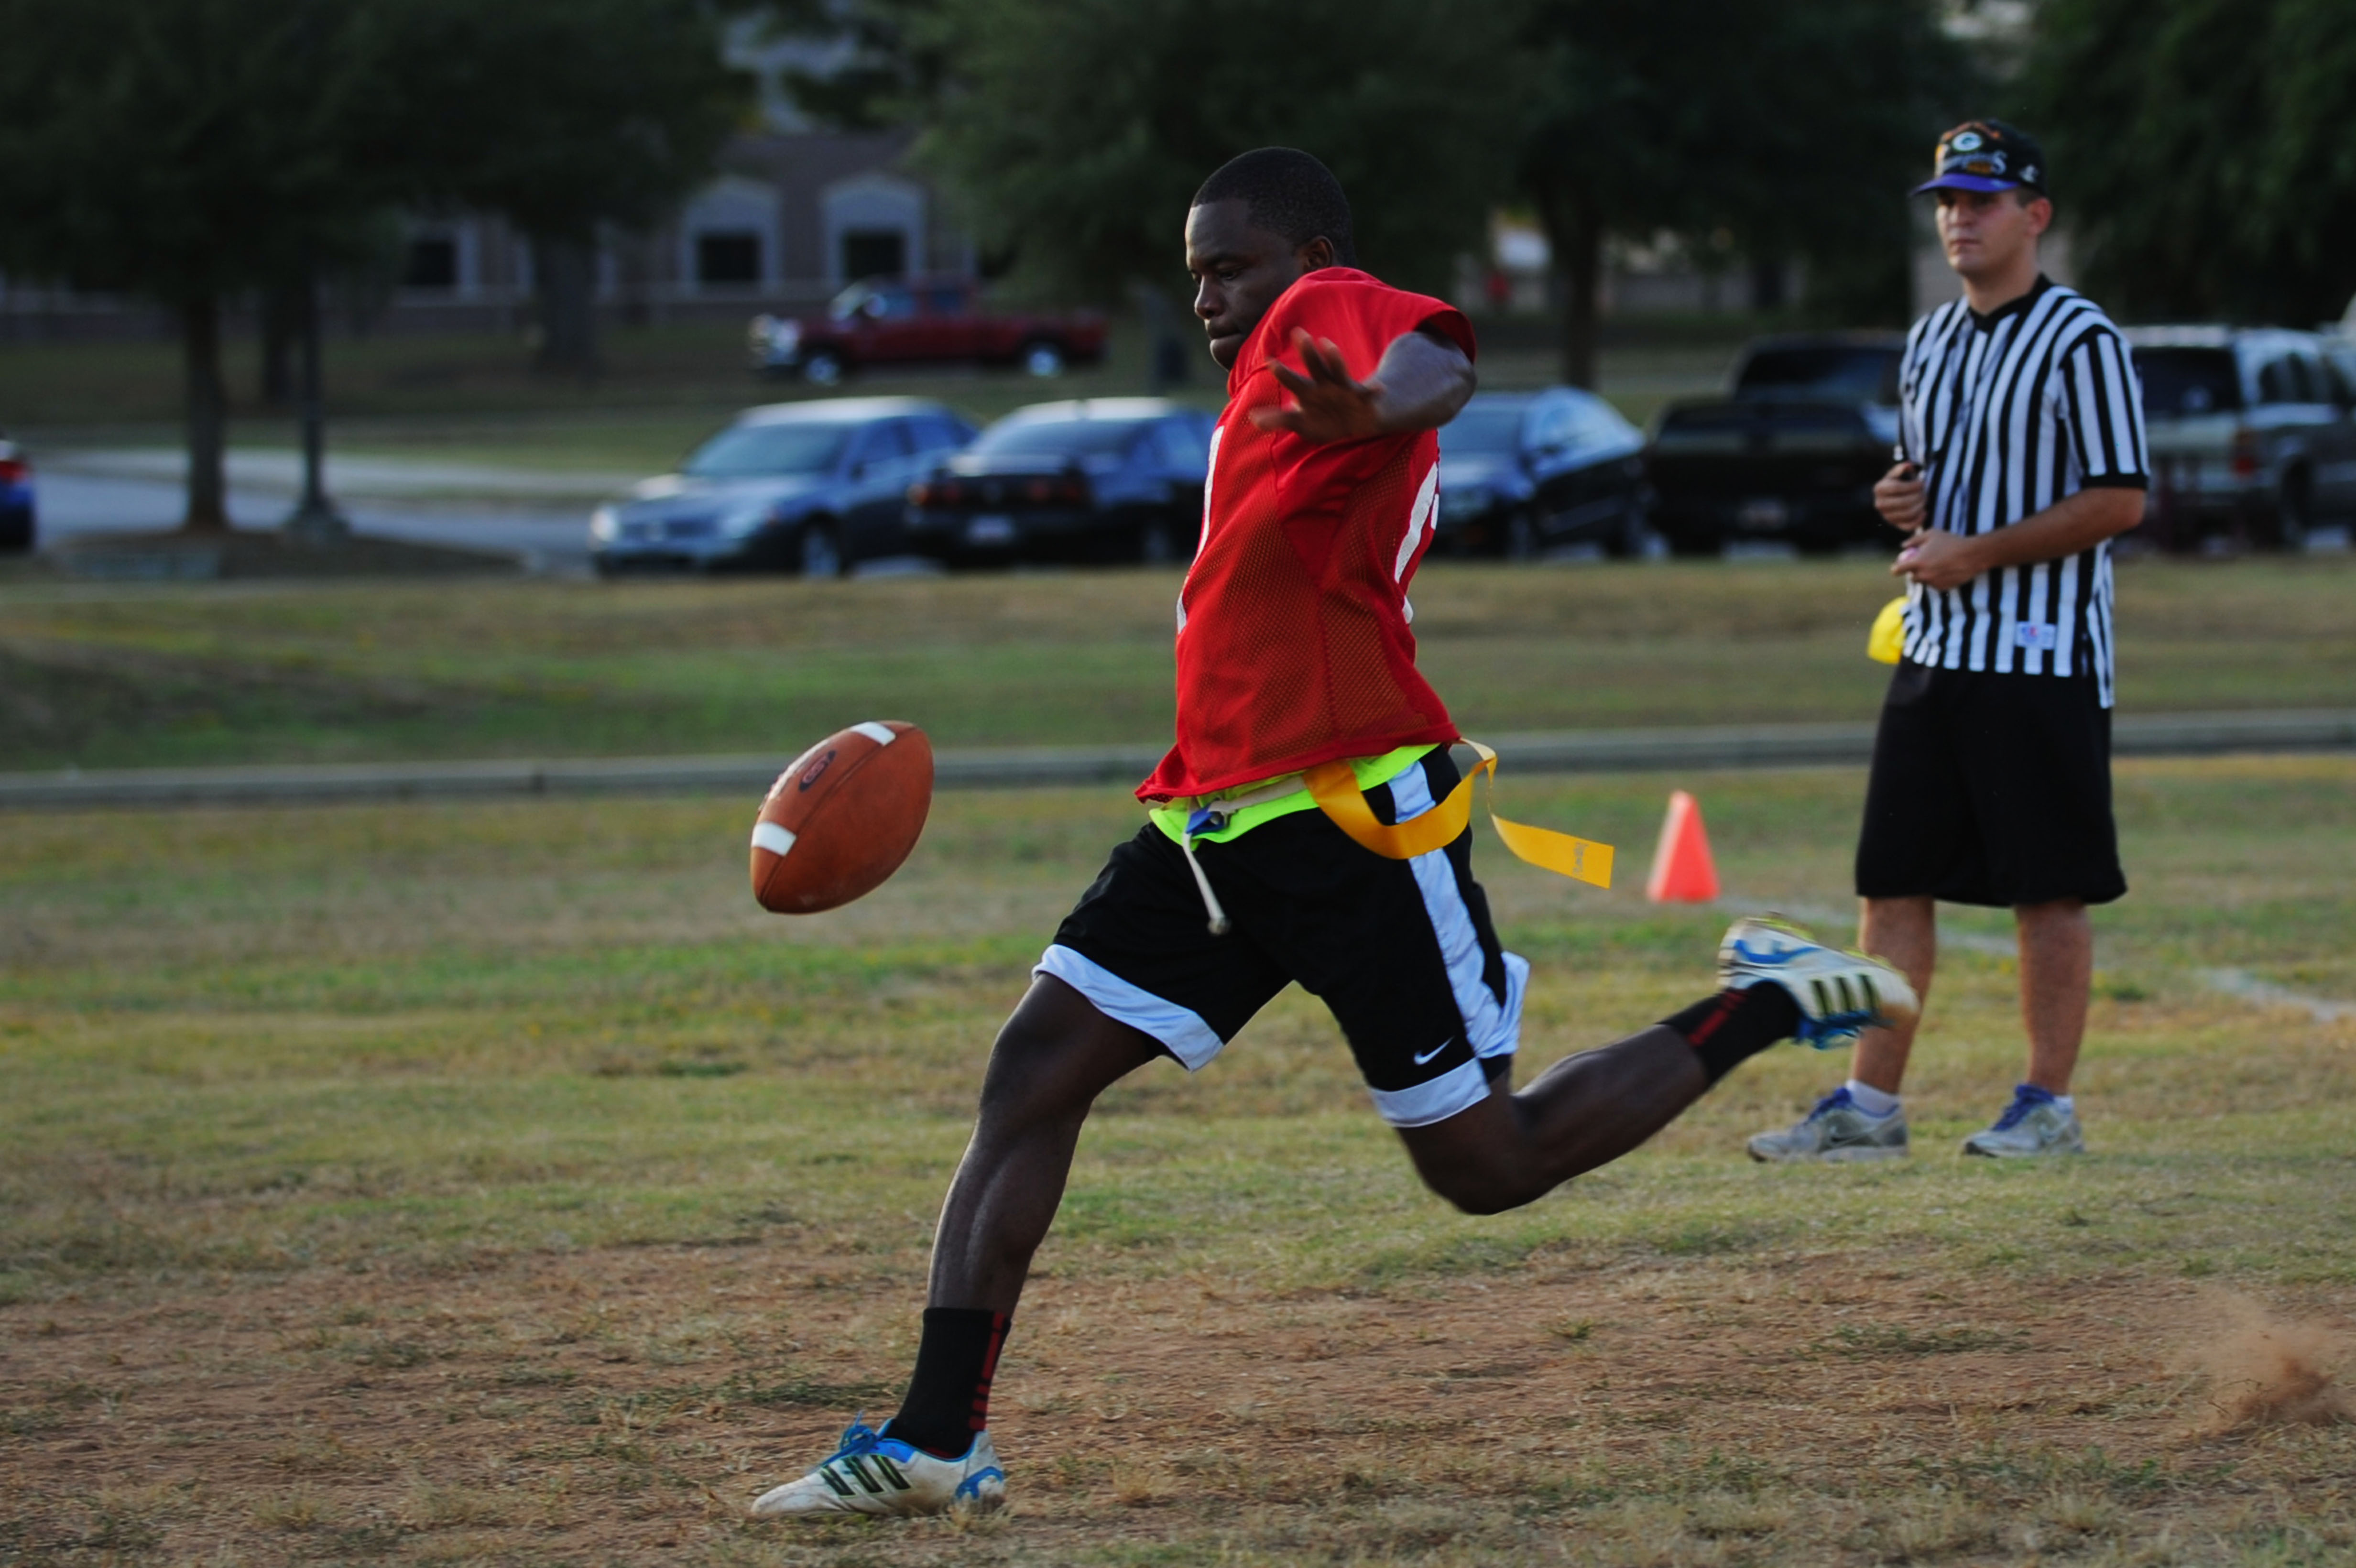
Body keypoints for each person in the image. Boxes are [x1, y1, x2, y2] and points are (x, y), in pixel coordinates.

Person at [752, 148, 1916, 1520]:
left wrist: (1381, 402)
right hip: (1209, 824)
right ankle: (936, 1438)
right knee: (1031, 1075)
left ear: (1304, 257)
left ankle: (1762, 1003)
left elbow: (1438, 361)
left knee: (1488, 1165)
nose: (1210, 298)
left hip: (1351, 823)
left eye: (1229, 267)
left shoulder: (1329, 314)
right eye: (1195, 276)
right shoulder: (1259, 376)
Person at [1746, 121, 2149, 1165]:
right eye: (1947, 202)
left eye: (1981, 200)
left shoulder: (2080, 339)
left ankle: (2045, 1105)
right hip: (1935, 648)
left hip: (2042, 654)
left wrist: (1980, 552)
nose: (1959, 219)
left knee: (2047, 886)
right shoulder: (1928, 338)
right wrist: (1898, 501)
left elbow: (2117, 499)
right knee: (1891, 881)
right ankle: (1866, 1108)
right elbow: (1926, 481)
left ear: (2034, 216)